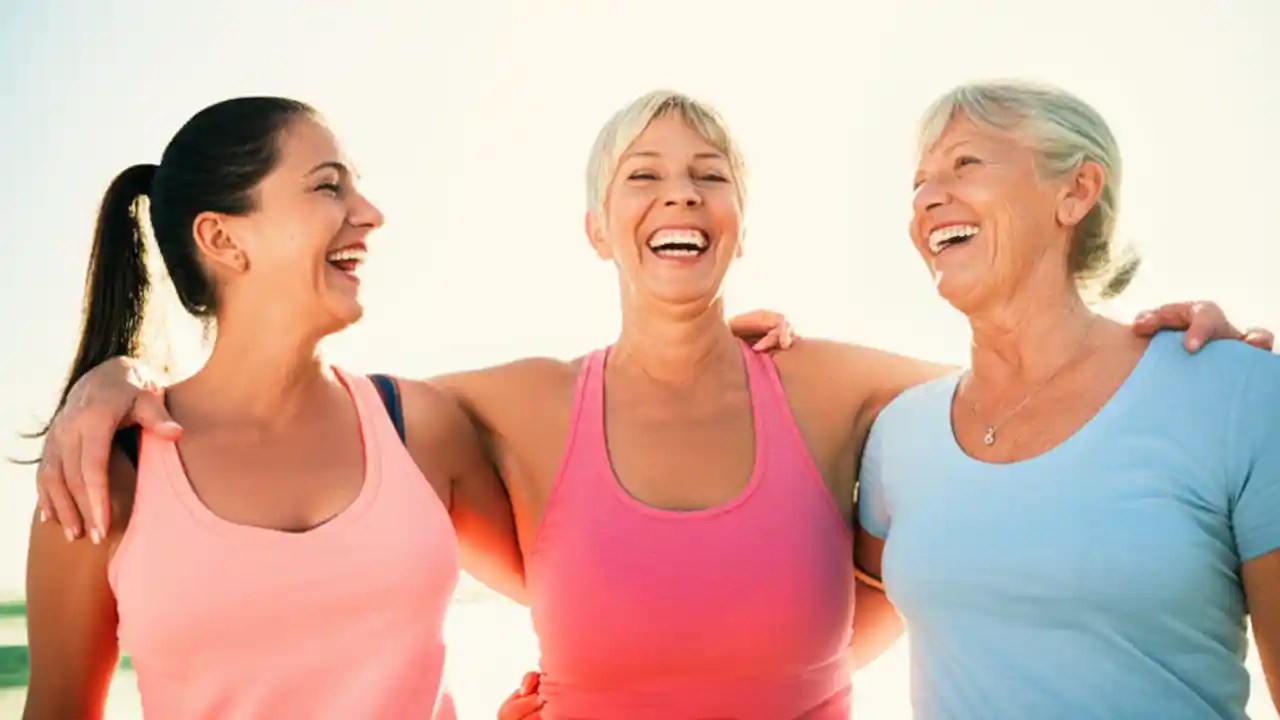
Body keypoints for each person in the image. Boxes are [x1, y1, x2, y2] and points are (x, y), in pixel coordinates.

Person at [32, 90, 1269, 719]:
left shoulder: (833, 386)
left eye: (708, 175)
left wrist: (1183, 342)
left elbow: (1030, 400)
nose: (678, 195)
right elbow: (291, 410)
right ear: (594, 224)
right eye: (642, 175)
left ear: (737, 220)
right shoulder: (497, 411)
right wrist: (119, 377)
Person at [22, 96, 527, 719]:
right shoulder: (101, 471)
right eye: (327, 188)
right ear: (222, 238)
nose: (370, 215)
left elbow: (584, 600)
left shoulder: (418, 429)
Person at [852, 80, 1279, 718]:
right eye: (920, 181)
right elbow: (804, 650)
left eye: (965, 163)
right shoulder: (899, 435)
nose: (929, 198)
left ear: (1076, 192)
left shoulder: (1237, 391)